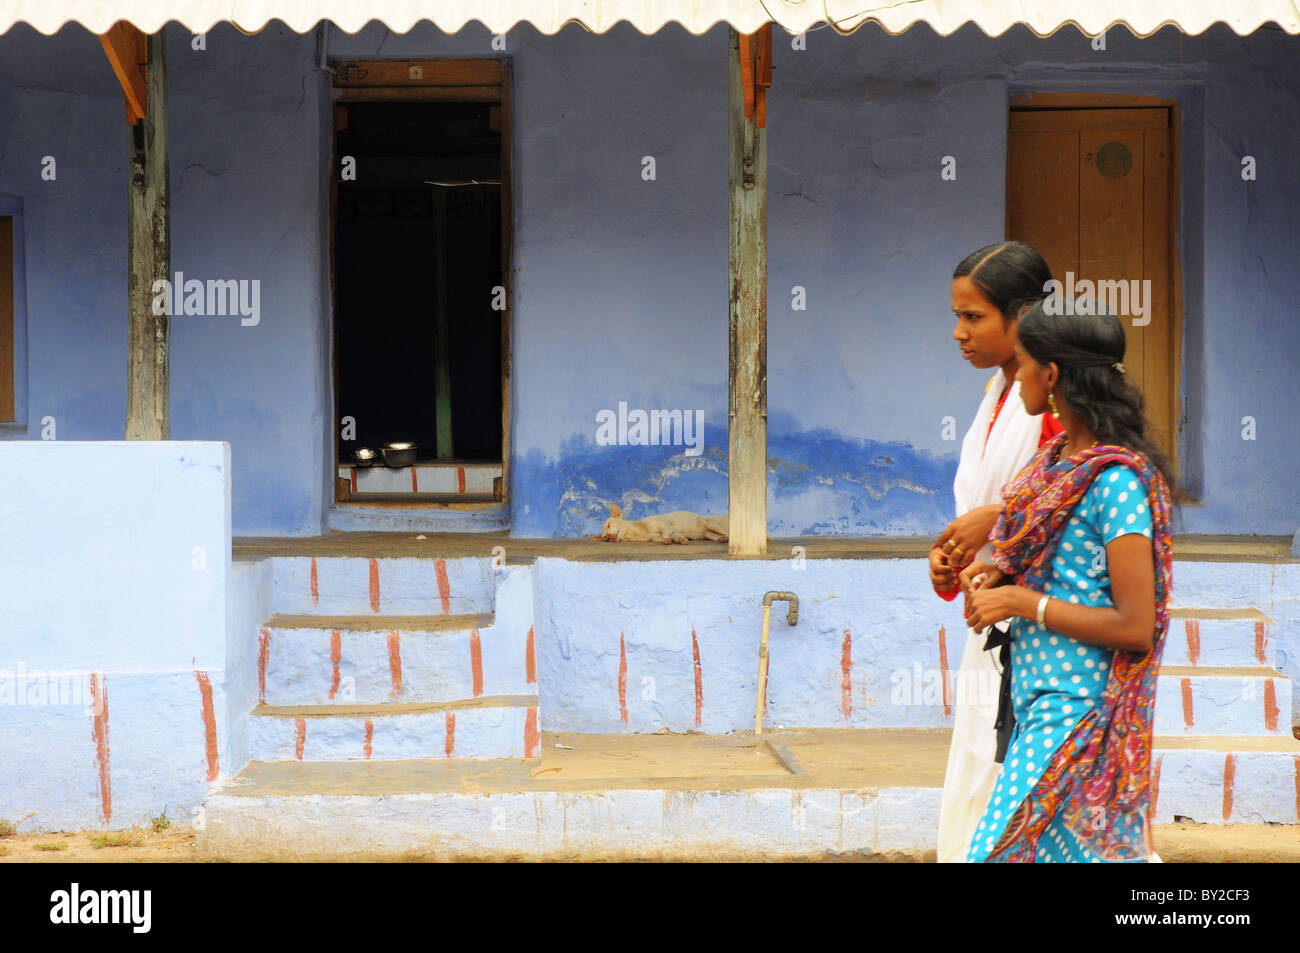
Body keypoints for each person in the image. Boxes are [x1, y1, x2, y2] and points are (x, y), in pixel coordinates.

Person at [959, 298, 1174, 863]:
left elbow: (1135, 626)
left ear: (1051, 375)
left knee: (996, 850)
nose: (1016, 375)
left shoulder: (1116, 483)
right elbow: (1050, 558)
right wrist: (1000, 569)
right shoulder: (1051, 467)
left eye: (1022, 362)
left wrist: (1021, 600)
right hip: (1036, 700)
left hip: (1081, 708)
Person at [931, 241, 1062, 863]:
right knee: (982, 769)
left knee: (1019, 781)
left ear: (1024, 315)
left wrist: (999, 518)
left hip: (1042, 624)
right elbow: (983, 505)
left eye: (973, 317)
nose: (958, 333)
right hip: (990, 617)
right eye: (957, 317)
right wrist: (952, 554)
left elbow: (1079, 499)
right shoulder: (998, 395)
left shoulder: (1060, 400)